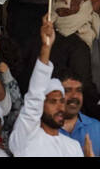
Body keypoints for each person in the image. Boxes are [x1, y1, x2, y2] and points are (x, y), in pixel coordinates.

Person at [11, 14, 83, 157]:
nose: (60, 107)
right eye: (52, 101)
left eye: (62, 101)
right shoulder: (26, 137)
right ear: (40, 105)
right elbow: (35, 96)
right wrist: (46, 47)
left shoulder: (73, 147)